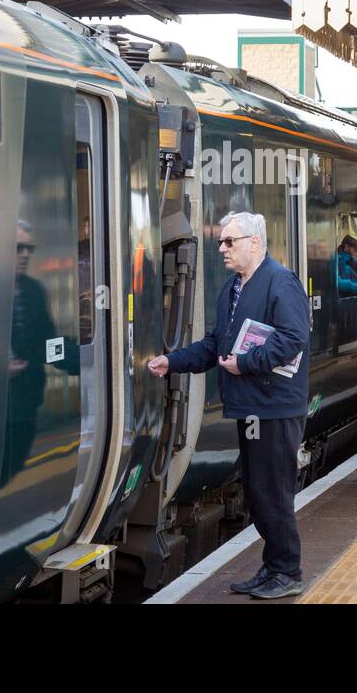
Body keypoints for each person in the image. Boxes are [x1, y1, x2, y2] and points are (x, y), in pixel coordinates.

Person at [147, 211, 311, 600]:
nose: (221, 248)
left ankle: (288, 572)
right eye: (221, 241)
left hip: (274, 407)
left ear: (254, 243)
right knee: (257, 491)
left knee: (272, 491)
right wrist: (174, 361)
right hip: (252, 406)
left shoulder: (280, 282)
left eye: (229, 241)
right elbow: (215, 343)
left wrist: (246, 363)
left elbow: (294, 337)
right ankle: (274, 567)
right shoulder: (233, 288)